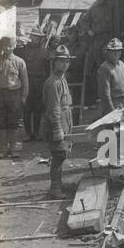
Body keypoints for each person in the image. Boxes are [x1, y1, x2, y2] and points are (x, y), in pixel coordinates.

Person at [40, 45, 74, 198]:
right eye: (61, 61)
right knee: (58, 155)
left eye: (67, 61)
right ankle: (55, 189)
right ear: (54, 62)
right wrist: (58, 129)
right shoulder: (53, 83)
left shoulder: (61, 79)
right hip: (56, 123)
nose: (65, 64)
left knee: (62, 154)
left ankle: (58, 185)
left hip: (64, 120)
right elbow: (54, 109)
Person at [0, 35, 29, 158]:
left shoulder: (19, 62)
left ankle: (12, 149)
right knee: (0, 122)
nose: (8, 48)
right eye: (6, 46)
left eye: (11, 46)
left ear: (15, 46)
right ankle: (2, 149)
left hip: (14, 95)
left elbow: (25, 81)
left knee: (13, 122)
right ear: (2, 47)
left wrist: (23, 97)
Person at [20, 27, 54, 141]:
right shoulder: (23, 50)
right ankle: (28, 134)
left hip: (40, 83)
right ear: (30, 37)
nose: (36, 38)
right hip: (27, 81)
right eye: (34, 36)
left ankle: (37, 132)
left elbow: (48, 70)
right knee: (27, 109)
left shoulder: (45, 51)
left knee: (38, 109)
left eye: (38, 37)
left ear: (41, 38)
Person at [96, 38, 124, 115]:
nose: (116, 54)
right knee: (114, 126)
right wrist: (112, 111)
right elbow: (105, 94)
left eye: (118, 51)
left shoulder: (122, 64)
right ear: (108, 52)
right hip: (114, 104)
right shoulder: (104, 68)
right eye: (113, 51)